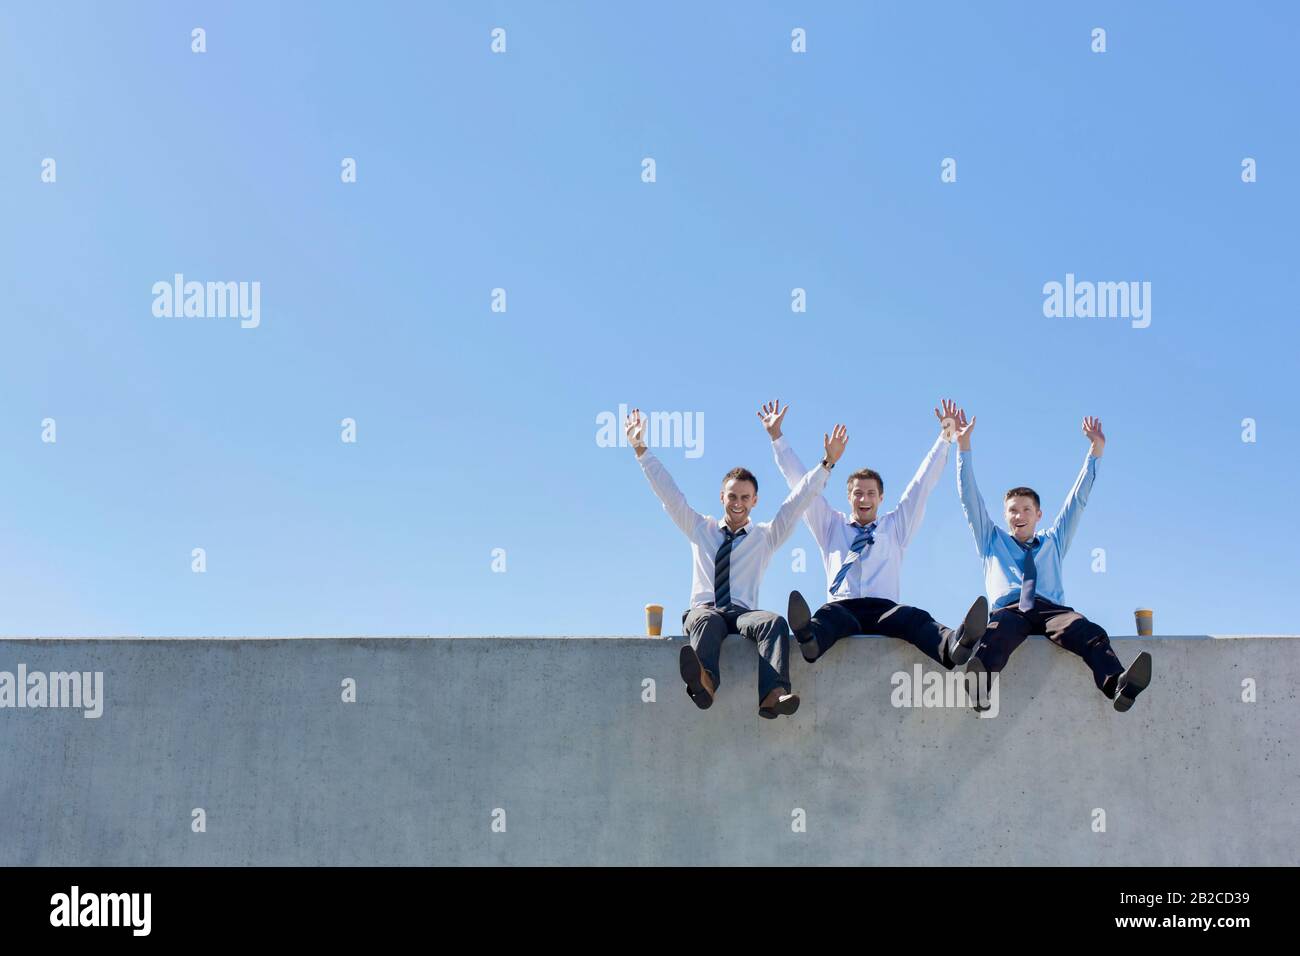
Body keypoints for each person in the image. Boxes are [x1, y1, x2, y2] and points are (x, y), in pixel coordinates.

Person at [627, 408, 845, 718]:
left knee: (773, 621)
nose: (738, 503)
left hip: (742, 614)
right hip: (705, 610)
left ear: (755, 500)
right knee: (707, 621)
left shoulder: (764, 537)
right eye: (732, 497)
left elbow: (797, 503)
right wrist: (641, 449)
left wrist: (827, 464)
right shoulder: (699, 528)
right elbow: (669, 494)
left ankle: (773, 695)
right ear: (721, 497)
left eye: (745, 497)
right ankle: (704, 683)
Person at [759, 399, 988, 670]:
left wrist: (945, 437)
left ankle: (954, 645)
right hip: (844, 607)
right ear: (848, 497)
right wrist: (779, 438)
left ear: (880, 498)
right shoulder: (831, 525)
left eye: (870, 493)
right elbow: (800, 486)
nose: (863, 498)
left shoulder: (895, 526)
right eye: (857, 493)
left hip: (884, 609)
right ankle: (809, 638)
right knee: (827, 618)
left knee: (915, 618)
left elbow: (922, 483)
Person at [954, 411, 1152, 712]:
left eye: (1025, 510)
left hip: (1051, 611)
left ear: (1038, 515)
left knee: (1089, 631)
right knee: (998, 630)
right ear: (1005, 515)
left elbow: (1077, 501)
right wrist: (964, 447)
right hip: (1011, 609)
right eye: (1012, 511)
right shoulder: (992, 540)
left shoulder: (1053, 541)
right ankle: (980, 688)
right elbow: (970, 498)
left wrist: (1095, 452)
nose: (1018, 516)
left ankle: (1117, 685)